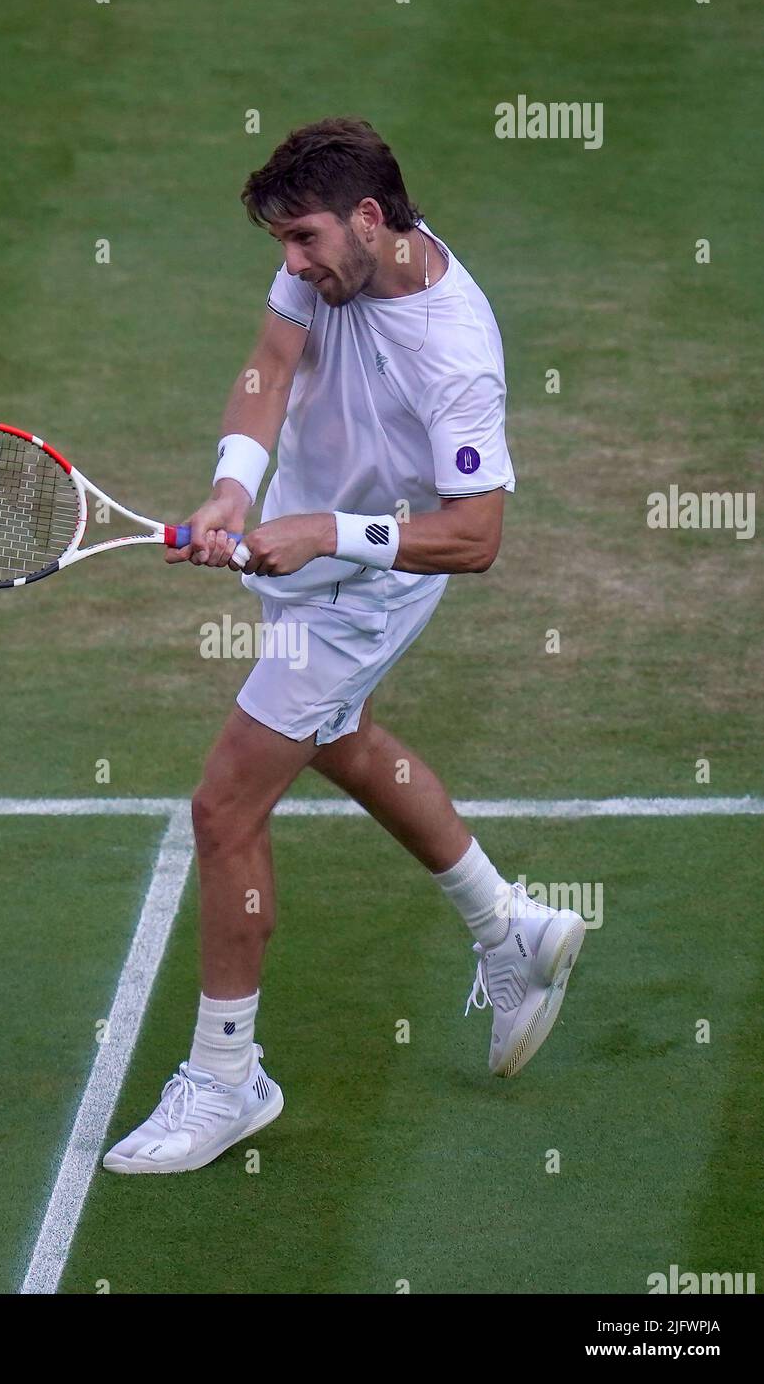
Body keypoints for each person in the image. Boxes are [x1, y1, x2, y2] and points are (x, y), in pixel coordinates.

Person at [102, 117, 584, 1175]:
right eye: (281, 243)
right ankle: (507, 925)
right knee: (338, 734)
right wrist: (237, 481)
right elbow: (272, 364)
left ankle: (228, 1080)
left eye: (305, 241)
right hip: (311, 546)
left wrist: (324, 532)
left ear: (371, 219)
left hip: (365, 588)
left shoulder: (452, 356)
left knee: (224, 807)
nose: (291, 264)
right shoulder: (337, 263)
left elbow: (477, 534)